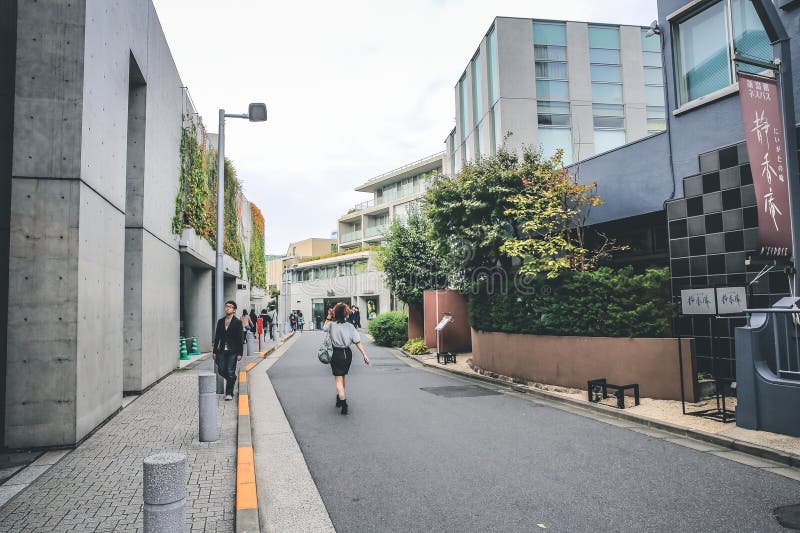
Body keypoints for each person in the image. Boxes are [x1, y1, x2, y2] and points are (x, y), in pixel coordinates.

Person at [323, 303, 369, 415]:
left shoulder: (332, 325)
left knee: (338, 379)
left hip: (336, 353)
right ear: (346, 313)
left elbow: (324, 327)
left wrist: (329, 316)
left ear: (335, 313)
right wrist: (364, 355)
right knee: (343, 376)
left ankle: (343, 402)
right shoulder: (350, 326)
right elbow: (357, 341)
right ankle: (340, 396)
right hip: (347, 354)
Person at [213, 300, 244, 401]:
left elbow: (240, 339)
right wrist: (214, 351)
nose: (227, 308)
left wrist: (240, 353)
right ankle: (233, 379)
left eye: (230, 307)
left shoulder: (238, 322)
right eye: (226, 306)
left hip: (233, 351)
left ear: (234, 310)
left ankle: (229, 393)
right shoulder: (221, 321)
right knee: (221, 370)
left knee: (230, 371)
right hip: (221, 350)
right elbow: (217, 337)